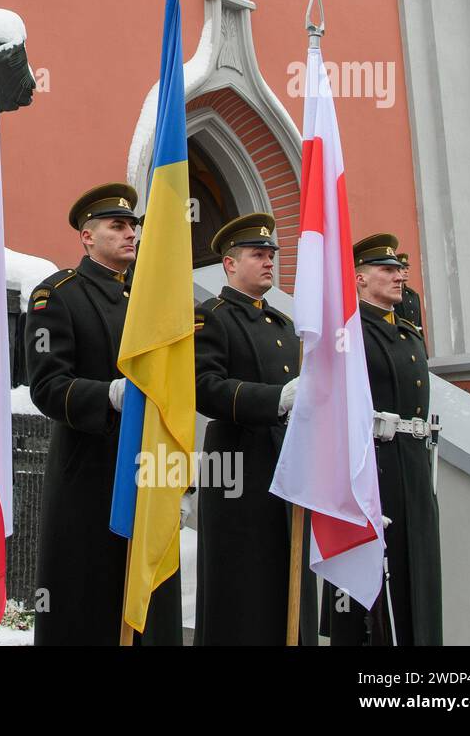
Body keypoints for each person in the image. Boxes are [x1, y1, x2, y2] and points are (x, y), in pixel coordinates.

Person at [24, 183, 182, 645]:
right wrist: (108, 395)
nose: (131, 233)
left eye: (133, 225)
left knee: (148, 609)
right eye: (118, 226)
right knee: (86, 603)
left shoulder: (147, 302)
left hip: (149, 474)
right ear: (87, 237)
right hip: (88, 474)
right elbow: (47, 386)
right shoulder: (58, 296)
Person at [192, 213, 316, 645]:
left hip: (287, 466)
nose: (268, 262)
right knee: (242, 587)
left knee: (286, 580)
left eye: (270, 255)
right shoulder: (211, 318)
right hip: (238, 471)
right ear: (230, 264)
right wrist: (274, 400)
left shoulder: (282, 325)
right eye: (257, 255)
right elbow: (203, 388)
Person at [322, 233, 441, 646]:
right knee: (371, 597)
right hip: (374, 467)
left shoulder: (408, 333)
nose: (398, 276)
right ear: (358, 279)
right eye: (386, 270)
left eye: (398, 270)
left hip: (413, 466)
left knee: (418, 576)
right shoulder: (349, 332)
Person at [396, 252, 425, 347]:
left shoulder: (413, 295)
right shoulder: (392, 294)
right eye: (402, 268)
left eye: (407, 268)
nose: (406, 271)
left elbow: (419, 324)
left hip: (415, 341)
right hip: (401, 342)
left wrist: (423, 348)